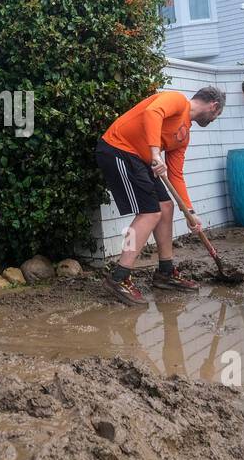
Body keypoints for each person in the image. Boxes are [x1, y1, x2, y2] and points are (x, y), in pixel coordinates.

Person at [96, 86, 226, 304]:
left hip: (141, 158)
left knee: (166, 206)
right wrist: (156, 153)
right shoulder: (176, 100)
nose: (215, 119)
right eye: (218, 114)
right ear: (214, 106)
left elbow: (176, 175)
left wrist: (190, 213)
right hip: (118, 148)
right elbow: (152, 113)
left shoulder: (184, 137)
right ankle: (119, 276)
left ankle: (166, 272)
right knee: (149, 213)